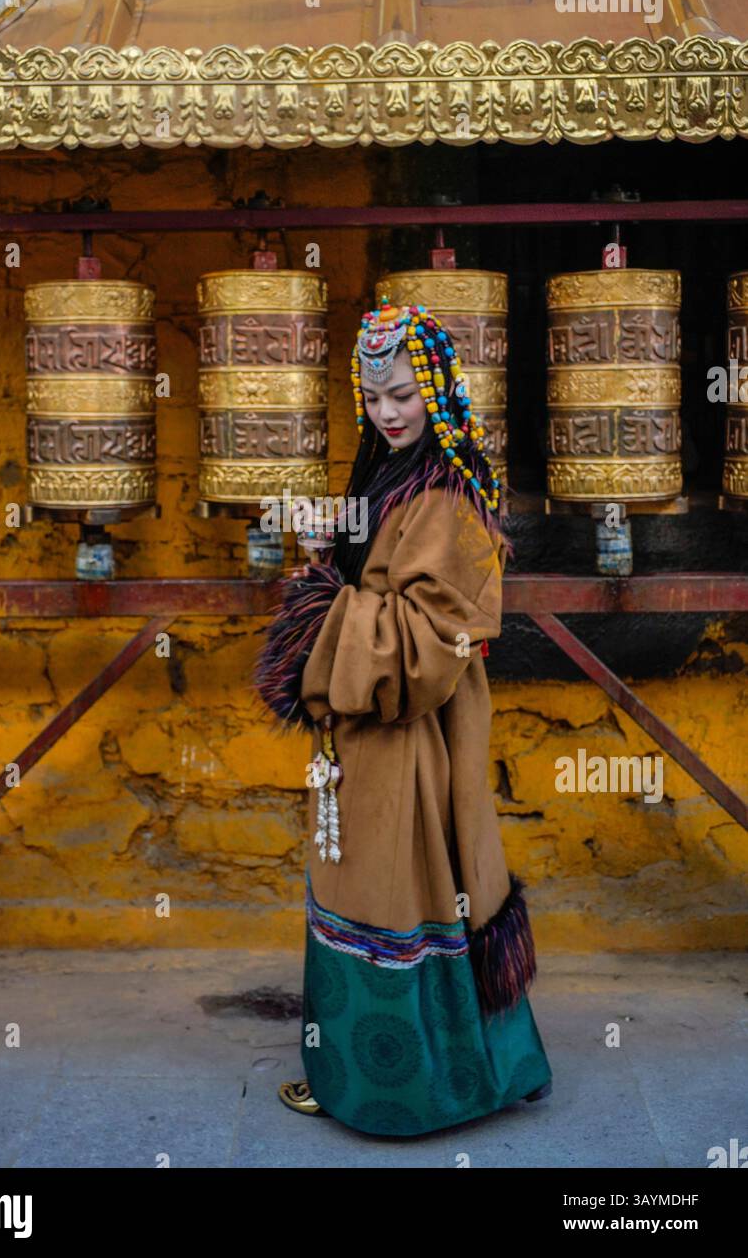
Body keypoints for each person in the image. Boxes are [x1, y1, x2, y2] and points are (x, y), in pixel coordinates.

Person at [253, 296, 552, 1137]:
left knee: (404, 891)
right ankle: (341, 1069)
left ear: (436, 391)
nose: (386, 414)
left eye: (402, 396)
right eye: (372, 396)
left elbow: (429, 644)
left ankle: (415, 1089)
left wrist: (324, 609)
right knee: (351, 882)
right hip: (360, 729)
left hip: (412, 733)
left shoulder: (449, 496)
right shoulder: (383, 473)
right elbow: (371, 589)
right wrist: (334, 569)